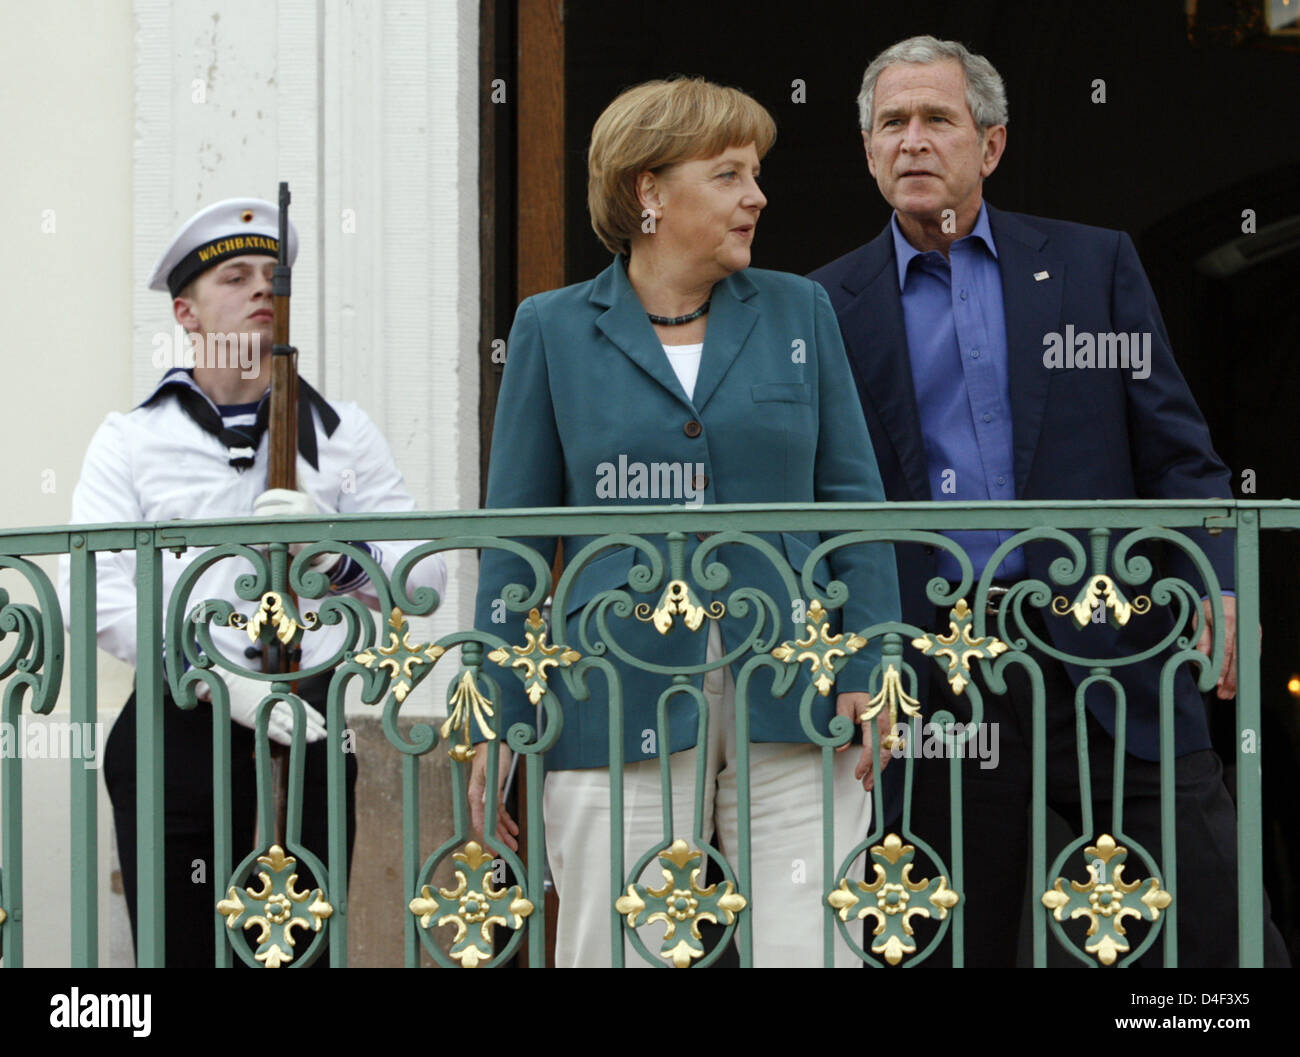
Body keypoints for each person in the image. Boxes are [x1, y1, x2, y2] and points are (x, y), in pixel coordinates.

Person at [810, 35, 1288, 966]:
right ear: (867, 151)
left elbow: (1182, 460)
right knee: (946, 943)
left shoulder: (1089, 266)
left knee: (1215, 942)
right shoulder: (823, 304)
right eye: (891, 124)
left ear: (989, 145)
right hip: (937, 683)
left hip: (1116, 652)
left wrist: (1225, 584)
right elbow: (819, 504)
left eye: (936, 119)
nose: (913, 141)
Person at [471, 78, 900, 968]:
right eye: (731, 175)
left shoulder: (798, 312)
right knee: (620, 947)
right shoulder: (550, 330)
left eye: (756, 174)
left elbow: (853, 500)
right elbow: (513, 545)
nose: (758, 196)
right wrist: (495, 712)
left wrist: (871, 658)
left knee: (812, 945)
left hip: (794, 682)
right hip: (611, 688)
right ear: (650, 192)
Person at [58, 197, 447, 967]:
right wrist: (213, 674)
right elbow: (96, 590)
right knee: (182, 950)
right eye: (234, 276)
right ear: (186, 312)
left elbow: (424, 573)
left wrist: (332, 553)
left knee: (295, 952)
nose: (260, 289)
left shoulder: (340, 433)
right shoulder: (131, 440)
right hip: (176, 727)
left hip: (303, 721)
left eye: (272, 276)